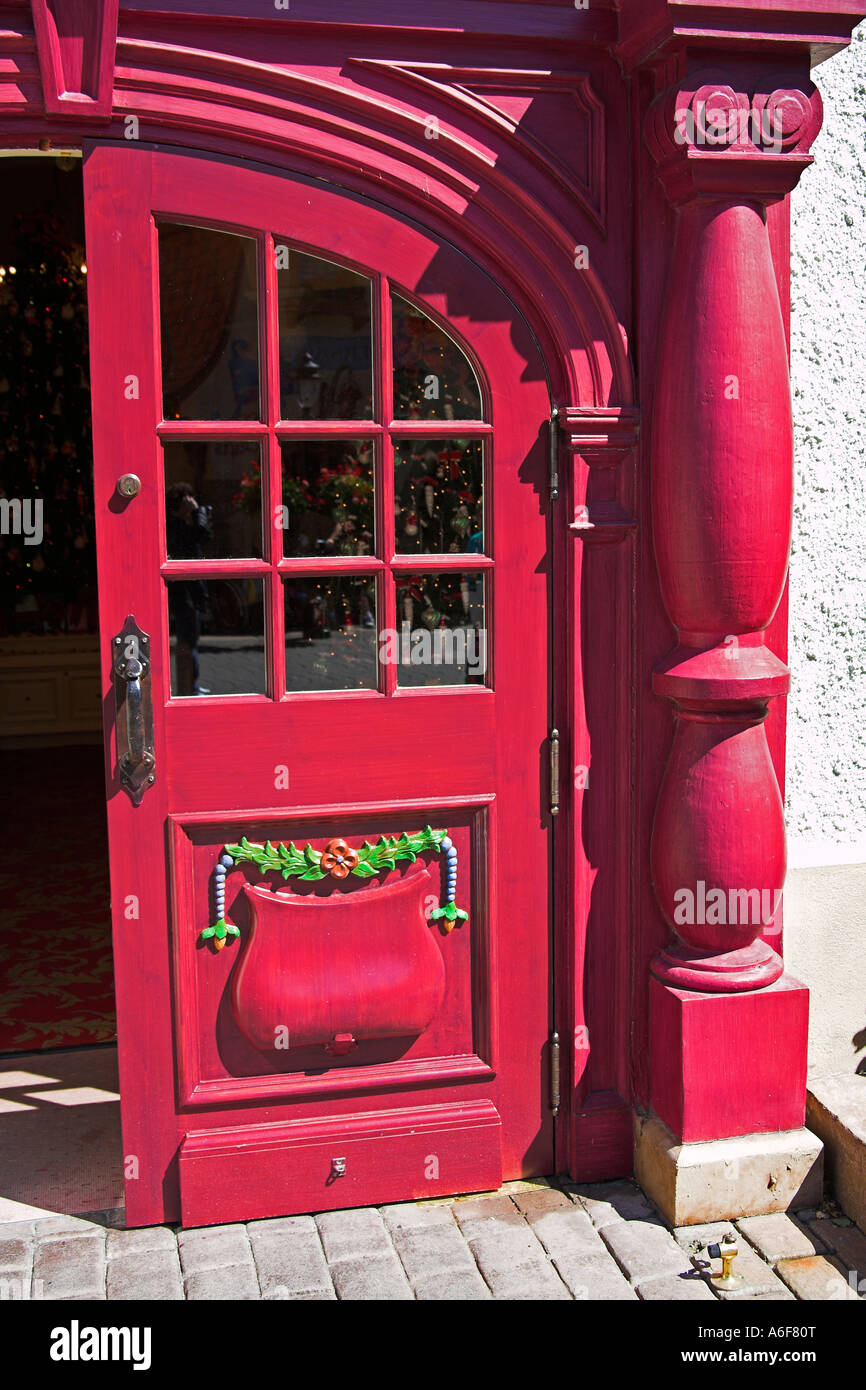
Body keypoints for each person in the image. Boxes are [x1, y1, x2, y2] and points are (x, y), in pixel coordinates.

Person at [165, 481, 211, 695]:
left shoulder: (179, 524)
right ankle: (188, 687)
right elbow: (201, 536)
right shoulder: (175, 526)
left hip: (187, 590)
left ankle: (190, 684)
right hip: (183, 593)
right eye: (189, 499)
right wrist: (198, 513)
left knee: (190, 638)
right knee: (187, 639)